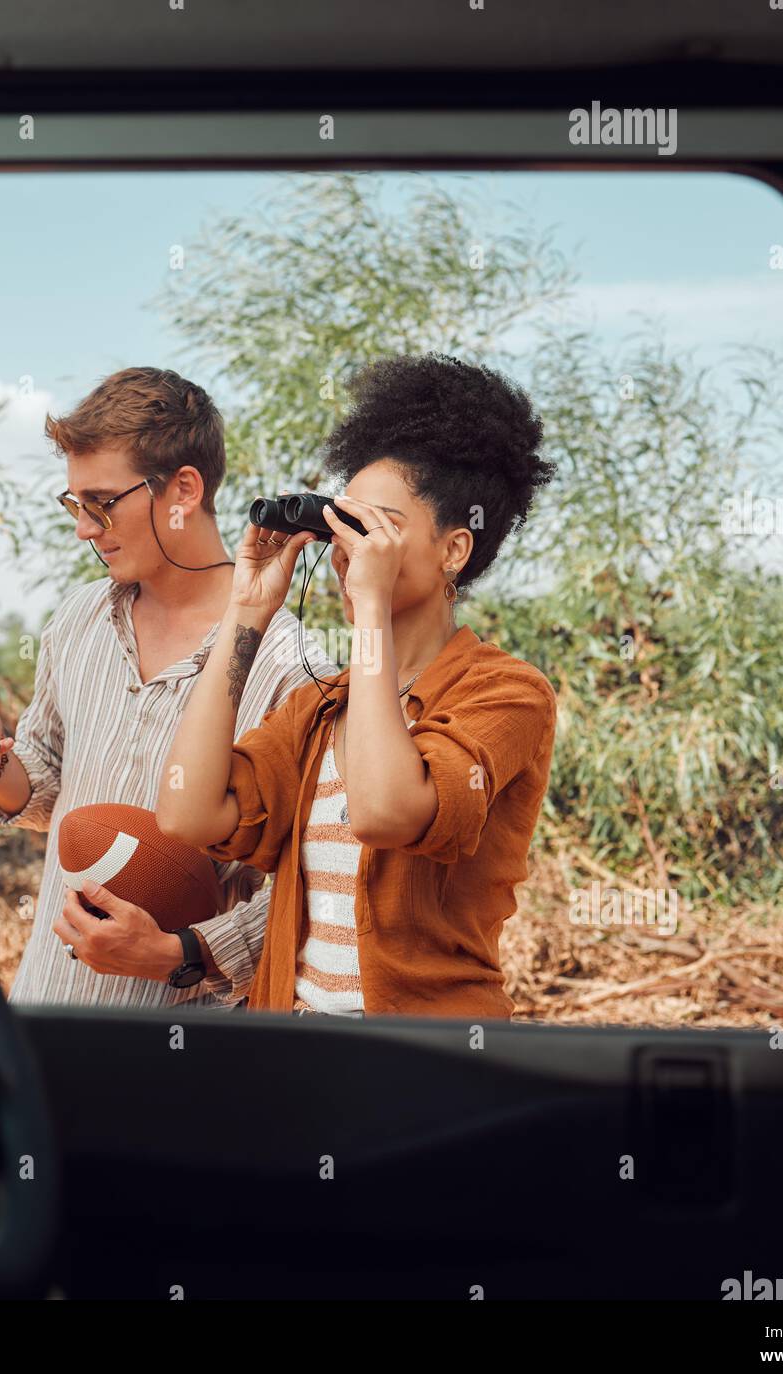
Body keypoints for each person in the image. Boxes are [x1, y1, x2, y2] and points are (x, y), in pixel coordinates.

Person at [157, 354, 557, 1018]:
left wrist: (370, 610)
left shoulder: (508, 694)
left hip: (426, 1064)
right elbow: (186, 813)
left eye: (377, 528)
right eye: (342, 526)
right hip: (295, 1059)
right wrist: (246, 612)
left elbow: (384, 810)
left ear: (454, 549)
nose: (349, 550)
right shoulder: (318, 709)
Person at [0, 366, 334, 1008]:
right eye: (74, 504)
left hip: (180, 1051)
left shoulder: (289, 665)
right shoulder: (77, 619)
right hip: (46, 1011)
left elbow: (310, 884)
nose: (85, 528)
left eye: (102, 502)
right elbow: (48, 794)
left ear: (185, 490)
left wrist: (176, 956)